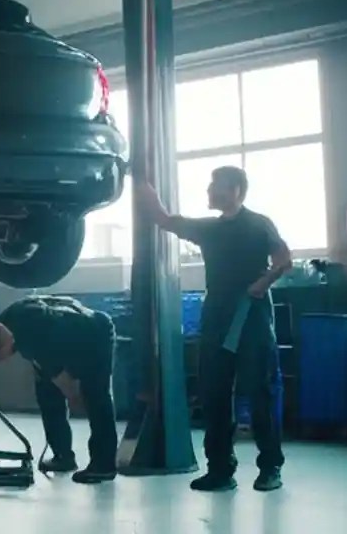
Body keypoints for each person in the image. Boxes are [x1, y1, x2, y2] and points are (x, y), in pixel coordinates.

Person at [139, 166, 291, 493]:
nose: (209, 191)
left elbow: (283, 259)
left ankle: (270, 469)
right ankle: (221, 470)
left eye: (216, 186)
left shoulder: (258, 224)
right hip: (217, 319)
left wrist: (263, 282)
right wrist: (140, 178)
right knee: (215, 395)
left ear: (235, 189)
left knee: (259, 392)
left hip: (251, 318)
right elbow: (164, 219)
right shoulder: (207, 229)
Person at [0, 295, 118, 484]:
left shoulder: (32, 337)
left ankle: (104, 466)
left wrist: (77, 399)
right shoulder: (4, 321)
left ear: (9, 341)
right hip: (65, 334)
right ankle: (63, 456)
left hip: (94, 334)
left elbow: (67, 386)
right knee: (46, 393)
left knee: (96, 396)